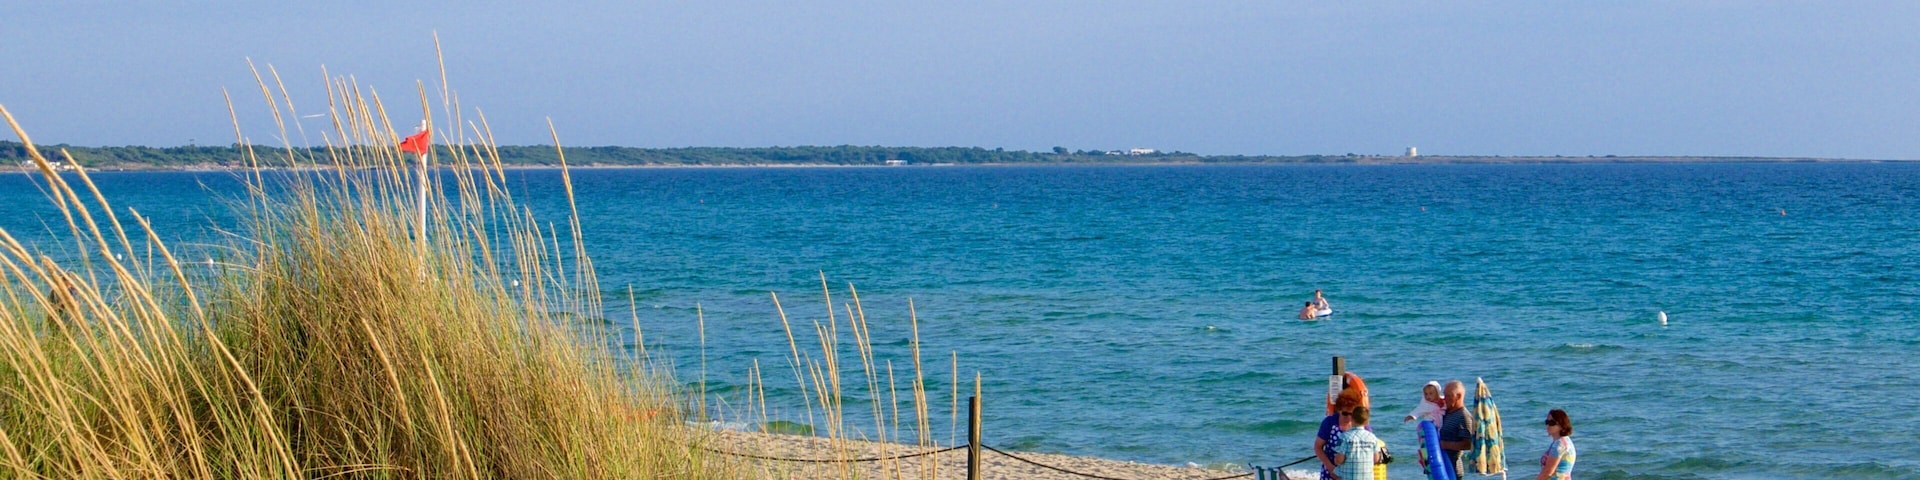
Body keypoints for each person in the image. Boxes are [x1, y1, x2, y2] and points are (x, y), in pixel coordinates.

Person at [1316, 388, 1364, 480]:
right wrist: (1330, 468)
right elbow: (1318, 447)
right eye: (1345, 413)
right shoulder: (1330, 422)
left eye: (1352, 414)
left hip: (1354, 474)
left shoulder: (1361, 424)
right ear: (1339, 410)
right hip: (1331, 472)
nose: (1349, 418)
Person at [1437, 380, 1478, 477]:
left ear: (1458, 396)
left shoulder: (1463, 416)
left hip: (1453, 470)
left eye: (1448, 396)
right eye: (1444, 395)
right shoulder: (1446, 412)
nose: (1444, 399)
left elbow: (1469, 444)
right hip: (1439, 467)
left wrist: (1445, 444)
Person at [1334, 406, 1383, 480]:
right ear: (1366, 421)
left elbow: (1339, 460)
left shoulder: (1345, 437)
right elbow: (1376, 459)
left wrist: (1336, 460)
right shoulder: (1372, 437)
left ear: (1352, 419)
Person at [1538, 409, 1576, 480]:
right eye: (1547, 422)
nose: (1548, 425)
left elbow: (1548, 472)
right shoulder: (1565, 441)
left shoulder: (1559, 445)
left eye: (1552, 423)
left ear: (1561, 425)